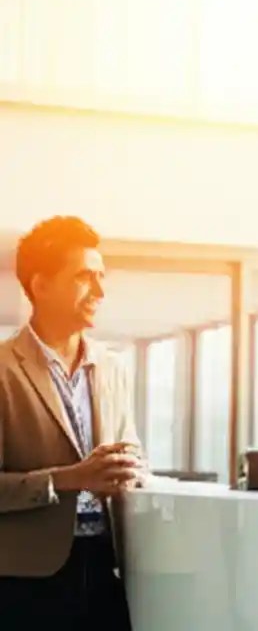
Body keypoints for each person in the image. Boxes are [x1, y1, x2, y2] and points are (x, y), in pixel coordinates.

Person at [0, 216, 146, 630]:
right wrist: (70, 479)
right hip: (25, 581)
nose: (99, 291)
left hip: (106, 567)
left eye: (101, 277)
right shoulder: (3, 369)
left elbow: (132, 453)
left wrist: (133, 472)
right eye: (84, 276)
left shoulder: (113, 368)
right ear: (41, 285)